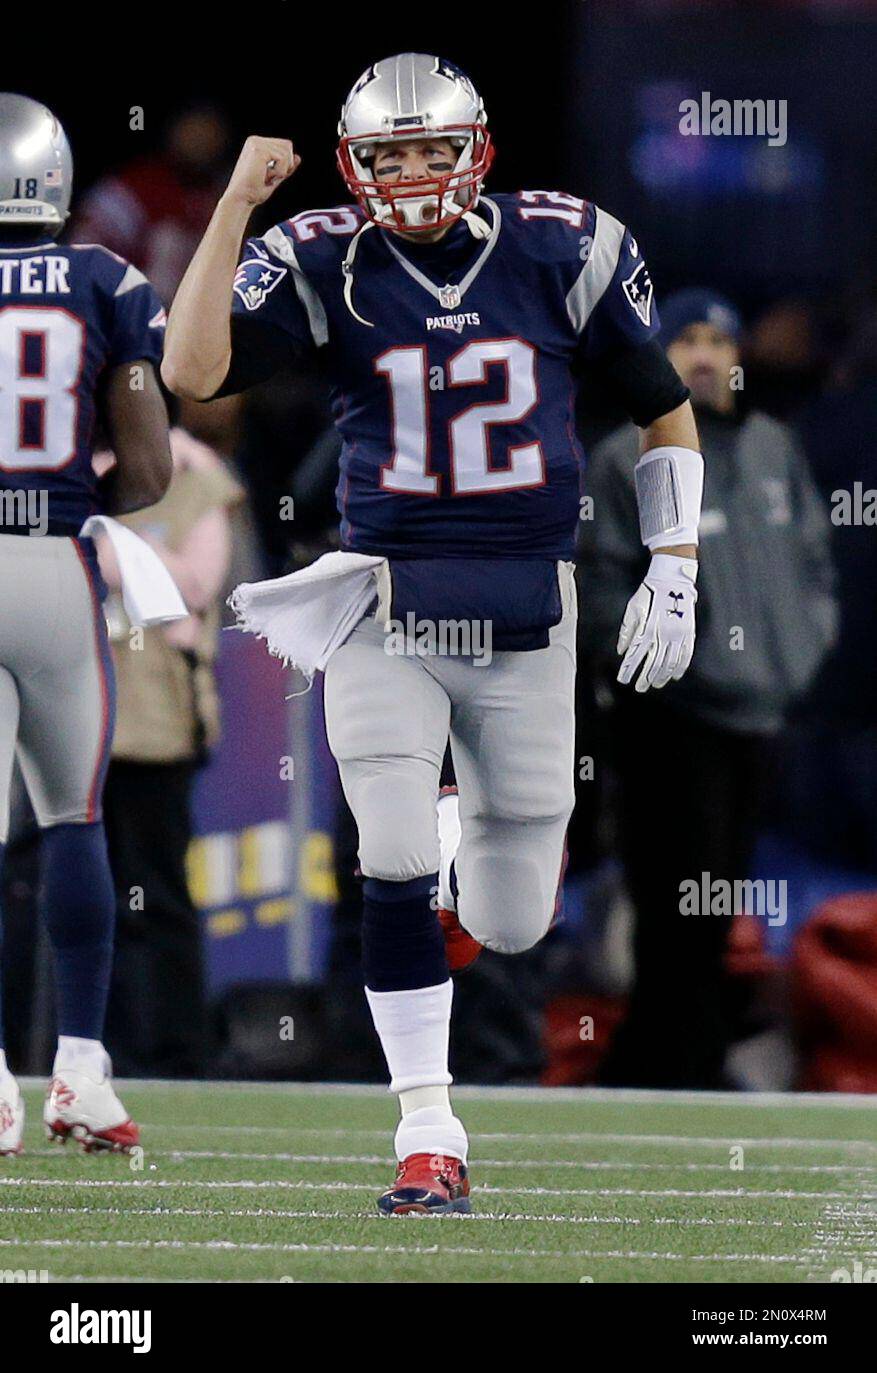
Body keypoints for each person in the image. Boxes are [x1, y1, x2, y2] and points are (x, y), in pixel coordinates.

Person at [162, 53, 703, 1214]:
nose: (411, 174)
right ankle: (428, 1130)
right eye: (388, 154)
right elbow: (192, 368)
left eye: (431, 148)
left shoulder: (564, 245)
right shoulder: (326, 256)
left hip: (525, 603)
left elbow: (665, 406)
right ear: (357, 166)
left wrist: (677, 561)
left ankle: (463, 841)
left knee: (512, 917)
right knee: (391, 862)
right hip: (383, 596)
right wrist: (231, 208)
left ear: (479, 150)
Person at [579, 288, 836, 1088]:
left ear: (736, 356)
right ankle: (670, 1068)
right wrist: (675, 661)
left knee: (716, 904)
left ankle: (670, 1062)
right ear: (656, 356)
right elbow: (599, 590)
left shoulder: (771, 447)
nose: (700, 355)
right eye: (682, 339)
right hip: (670, 718)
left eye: (715, 341)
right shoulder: (627, 456)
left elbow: (813, 570)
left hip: (759, 714)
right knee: (671, 907)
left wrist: (795, 653)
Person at [0, 94, 172, 1154]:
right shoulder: (107, 280)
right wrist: (73, 498)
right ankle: (77, 1070)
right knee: (73, 815)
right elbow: (151, 468)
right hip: (57, 565)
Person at [94, 427, 243, 1078]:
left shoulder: (192, 474)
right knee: (72, 897)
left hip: (157, 719)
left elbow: (196, 585)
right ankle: (82, 1049)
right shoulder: (55, 463)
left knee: (156, 893)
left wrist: (115, 552)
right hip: (72, 713)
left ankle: (176, 1055)